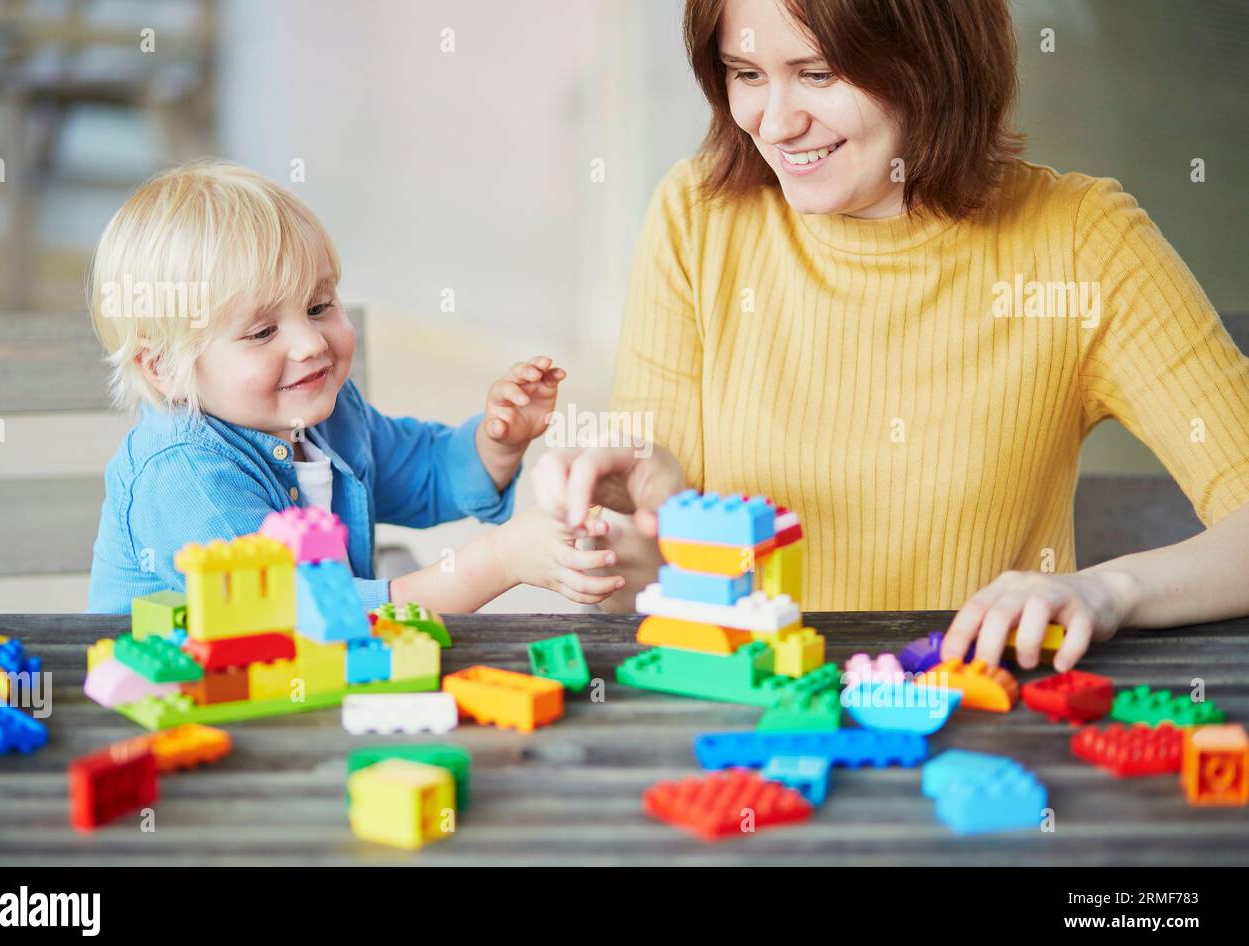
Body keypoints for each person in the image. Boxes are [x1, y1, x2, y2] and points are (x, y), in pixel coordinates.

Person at [532, 0, 1249, 672]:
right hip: (747, 726)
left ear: (932, 56)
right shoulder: (696, 217)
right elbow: (656, 592)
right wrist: (616, 527)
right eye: (746, 74)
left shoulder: (1081, 243)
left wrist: (1110, 591)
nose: (776, 123)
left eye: (818, 74)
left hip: (970, 723)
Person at [86, 160, 622, 614]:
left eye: (320, 307)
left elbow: (424, 472)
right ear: (164, 368)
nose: (311, 344)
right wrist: (499, 560)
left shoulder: (328, 415)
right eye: (263, 331)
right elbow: (309, 614)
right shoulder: (185, 475)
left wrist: (497, 442)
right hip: (190, 711)